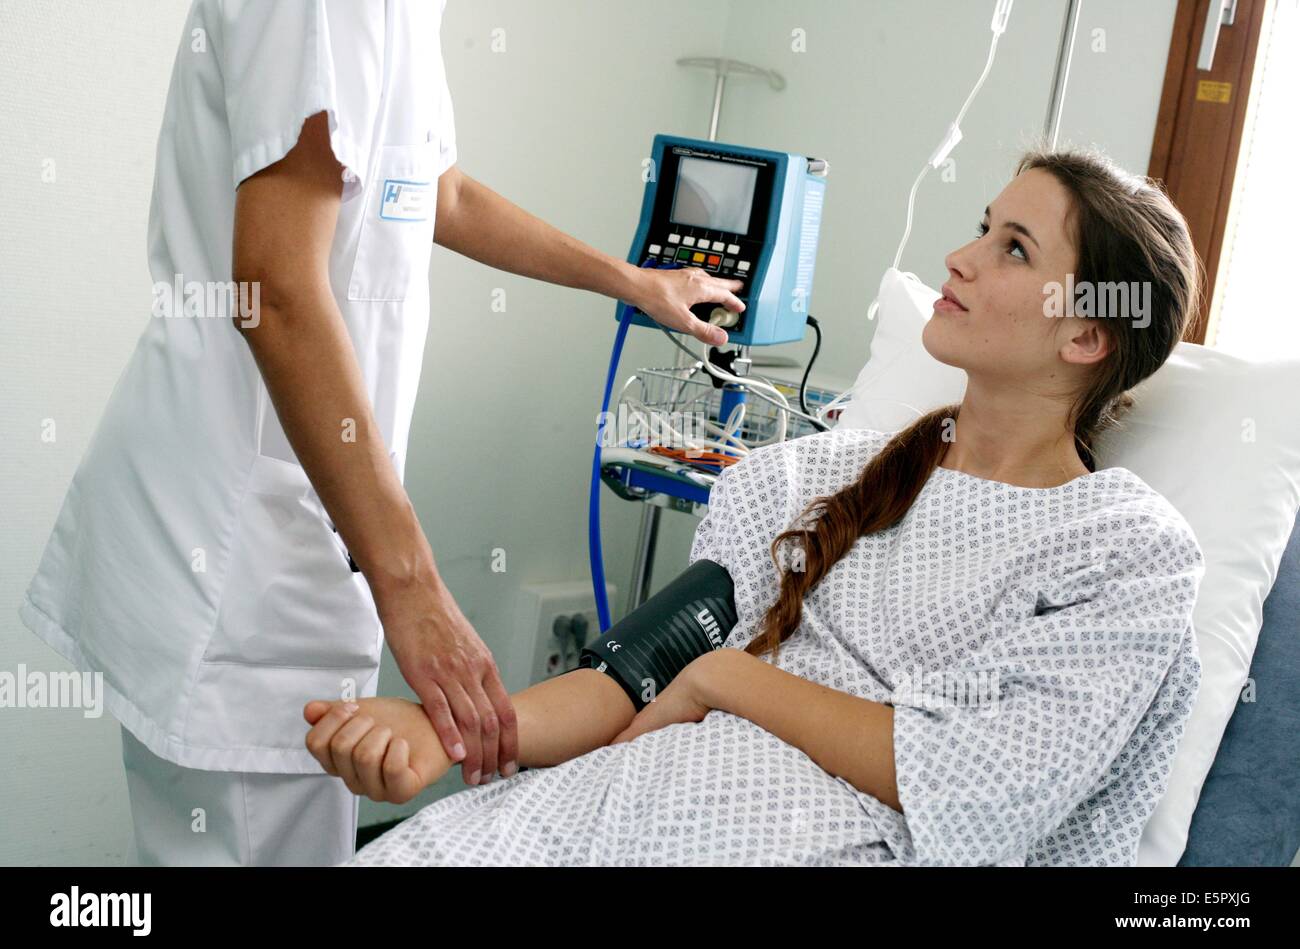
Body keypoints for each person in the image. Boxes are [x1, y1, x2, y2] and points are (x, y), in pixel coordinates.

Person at [305, 146, 1209, 866]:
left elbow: (978, 785)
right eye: (982, 226)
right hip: (601, 816)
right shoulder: (808, 482)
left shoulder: (1121, 553)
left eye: (1014, 247)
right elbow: (635, 677)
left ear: (1089, 331)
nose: (960, 258)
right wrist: (439, 732)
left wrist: (726, 679)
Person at [18, 0, 743, 866]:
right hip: (238, 550)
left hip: (276, 533)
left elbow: (442, 192)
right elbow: (276, 291)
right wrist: (414, 588)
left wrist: (630, 281)